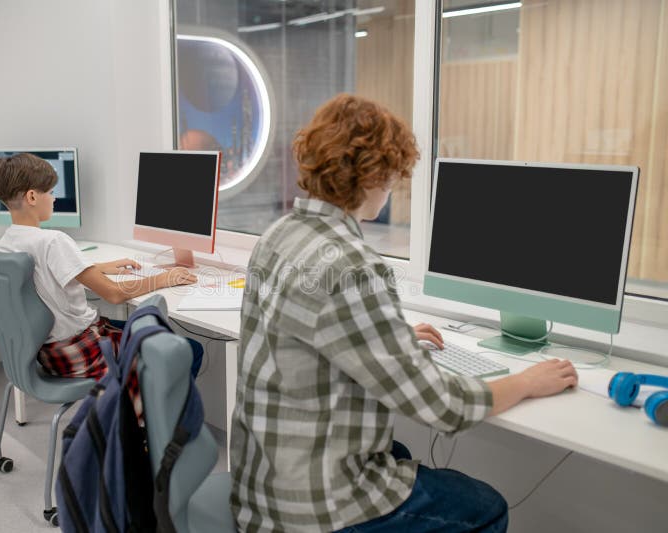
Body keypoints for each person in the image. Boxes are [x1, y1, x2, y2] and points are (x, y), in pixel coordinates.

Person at [228, 94, 578, 532]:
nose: (392, 186)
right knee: (485, 506)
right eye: (392, 176)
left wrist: (391, 340)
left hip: (260, 489)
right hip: (310, 512)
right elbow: (443, 406)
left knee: (395, 454)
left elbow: (312, 337)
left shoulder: (278, 235)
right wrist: (526, 382)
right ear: (373, 174)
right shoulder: (352, 267)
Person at [0, 153, 202, 421]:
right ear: (32, 197)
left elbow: (45, 275)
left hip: (51, 353)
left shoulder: (9, 241)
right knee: (188, 348)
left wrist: (99, 268)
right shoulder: (53, 241)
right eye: (50, 192)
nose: (54, 198)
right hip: (83, 352)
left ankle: (142, 415)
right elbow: (114, 294)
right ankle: (157, 431)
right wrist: (164, 278)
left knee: (149, 331)